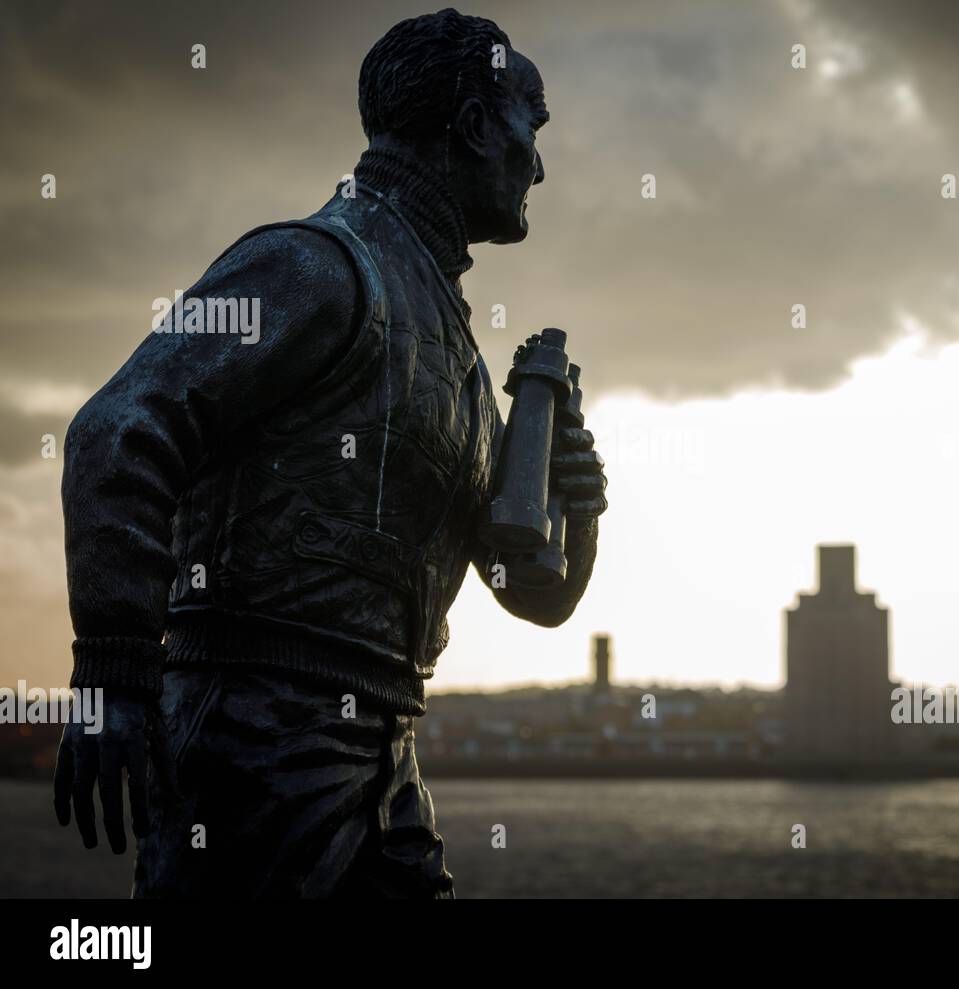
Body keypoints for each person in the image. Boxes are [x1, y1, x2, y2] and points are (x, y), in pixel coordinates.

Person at [53, 8, 607, 898]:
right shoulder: (315, 265)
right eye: (528, 128)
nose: (537, 165)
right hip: (252, 744)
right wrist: (113, 667)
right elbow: (117, 432)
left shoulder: (459, 362)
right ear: (471, 126)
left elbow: (528, 591)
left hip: (387, 758)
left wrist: (580, 503)